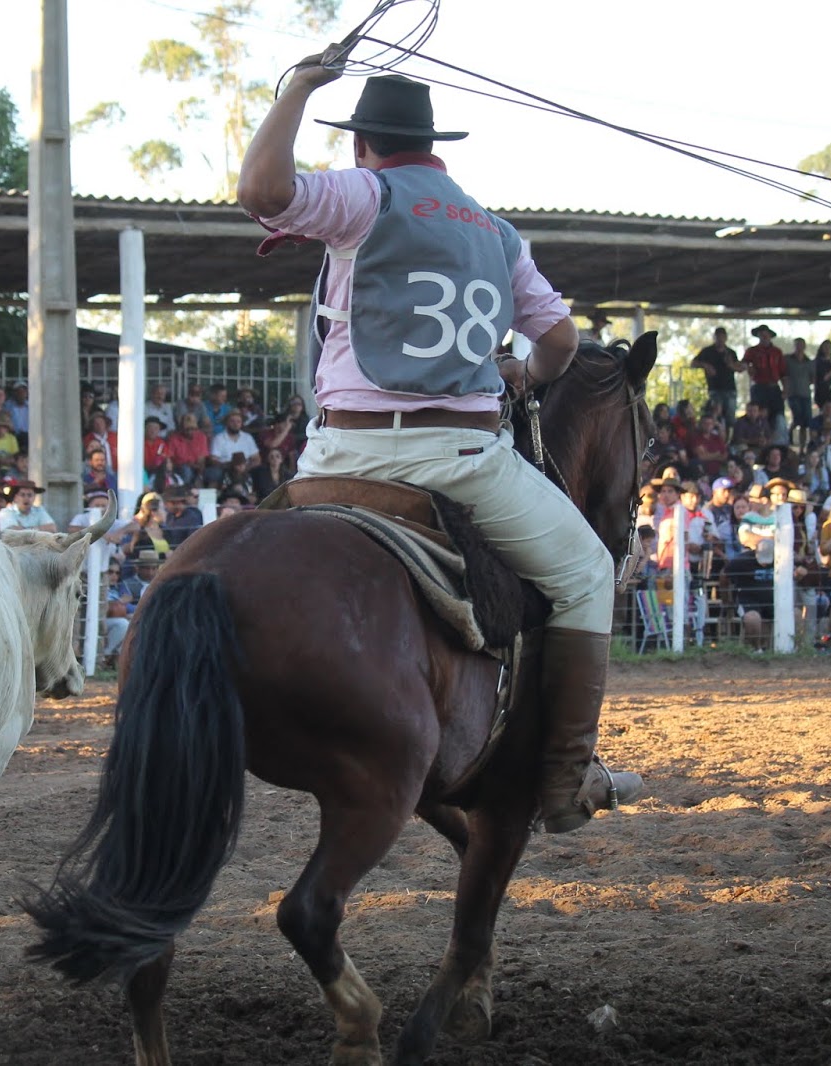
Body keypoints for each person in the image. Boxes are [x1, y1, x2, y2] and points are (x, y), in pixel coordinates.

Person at [238, 62, 638, 831]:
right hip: (456, 459)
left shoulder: (362, 195)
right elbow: (559, 338)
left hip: (334, 459)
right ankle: (562, 778)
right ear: (433, 147)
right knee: (588, 570)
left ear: (363, 145)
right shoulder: (496, 230)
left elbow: (262, 192)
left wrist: (296, 92)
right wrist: (521, 372)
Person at [740, 325, 786, 435]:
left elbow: (783, 372)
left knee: (778, 415)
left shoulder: (777, 352)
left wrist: (785, 389)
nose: (764, 337)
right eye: (761, 335)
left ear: (770, 336)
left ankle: (778, 441)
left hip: (774, 387)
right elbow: (743, 364)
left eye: (766, 334)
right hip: (759, 387)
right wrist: (748, 367)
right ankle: (760, 439)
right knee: (760, 415)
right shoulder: (752, 351)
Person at [691, 327, 740, 423]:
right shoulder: (707, 351)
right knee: (716, 415)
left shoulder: (731, 353)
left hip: (730, 389)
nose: (720, 340)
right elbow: (693, 364)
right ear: (715, 337)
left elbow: (739, 368)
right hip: (715, 389)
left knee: (730, 416)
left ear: (726, 338)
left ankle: (729, 435)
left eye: (722, 337)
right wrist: (705, 365)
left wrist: (731, 365)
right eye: (718, 337)